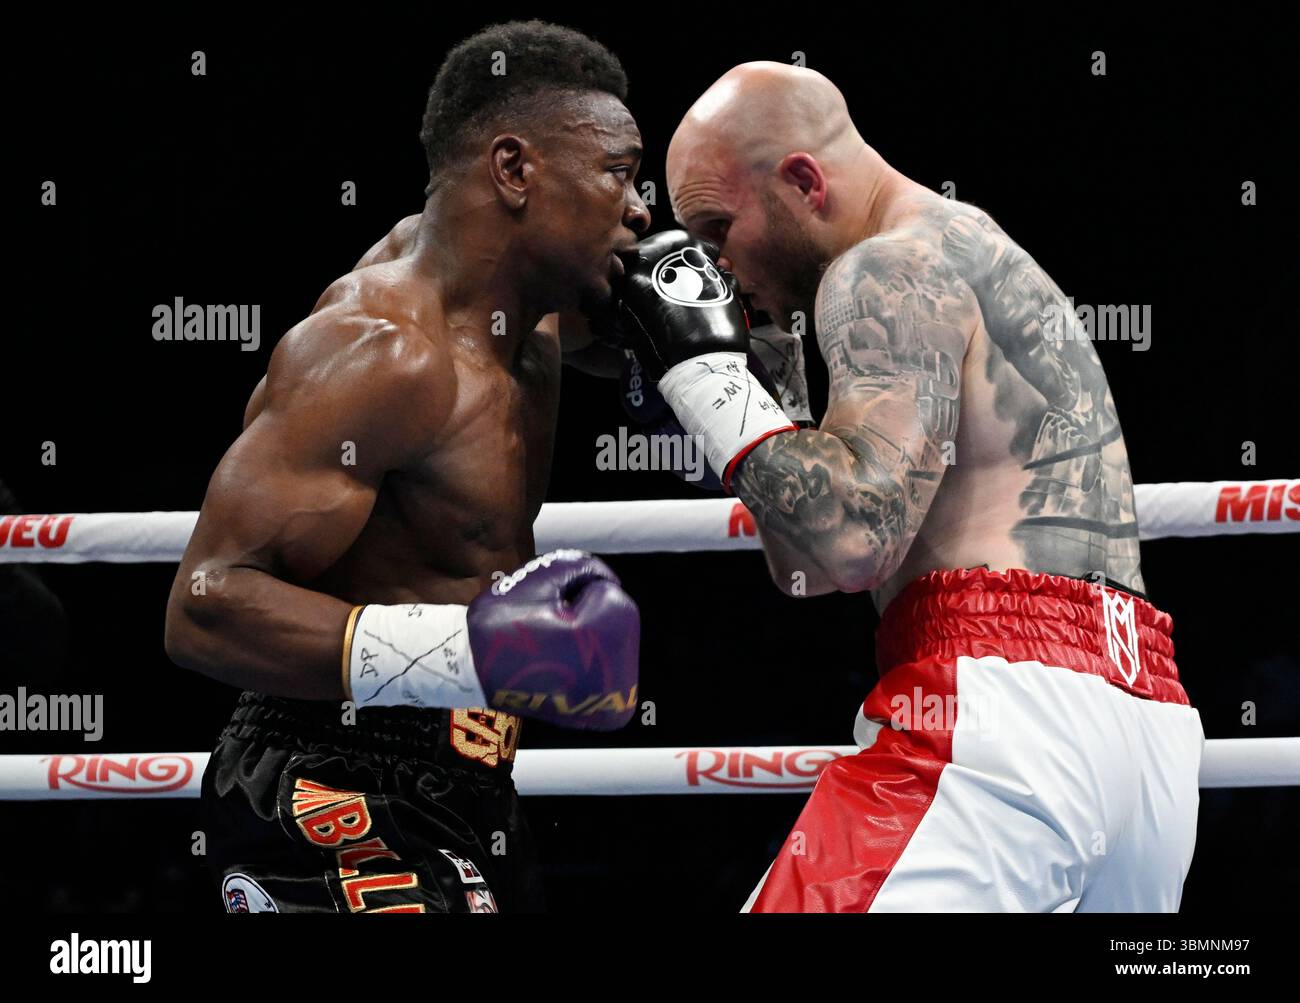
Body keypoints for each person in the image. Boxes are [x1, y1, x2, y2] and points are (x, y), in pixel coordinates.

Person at [603, 60, 1203, 911]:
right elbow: (805, 566)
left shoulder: (883, 271)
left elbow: (854, 542)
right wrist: (768, 383)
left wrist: (703, 380)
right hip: (1145, 728)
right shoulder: (966, 245)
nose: (718, 269)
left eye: (717, 230)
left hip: (1000, 712)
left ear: (804, 182)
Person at [164, 21, 649, 914]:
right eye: (619, 173)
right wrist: (467, 652)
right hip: (327, 775)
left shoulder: (533, 307)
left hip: (474, 785)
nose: (641, 208)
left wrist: (719, 345)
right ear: (515, 170)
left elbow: (633, 343)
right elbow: (204, 605)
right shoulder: (382, 351)